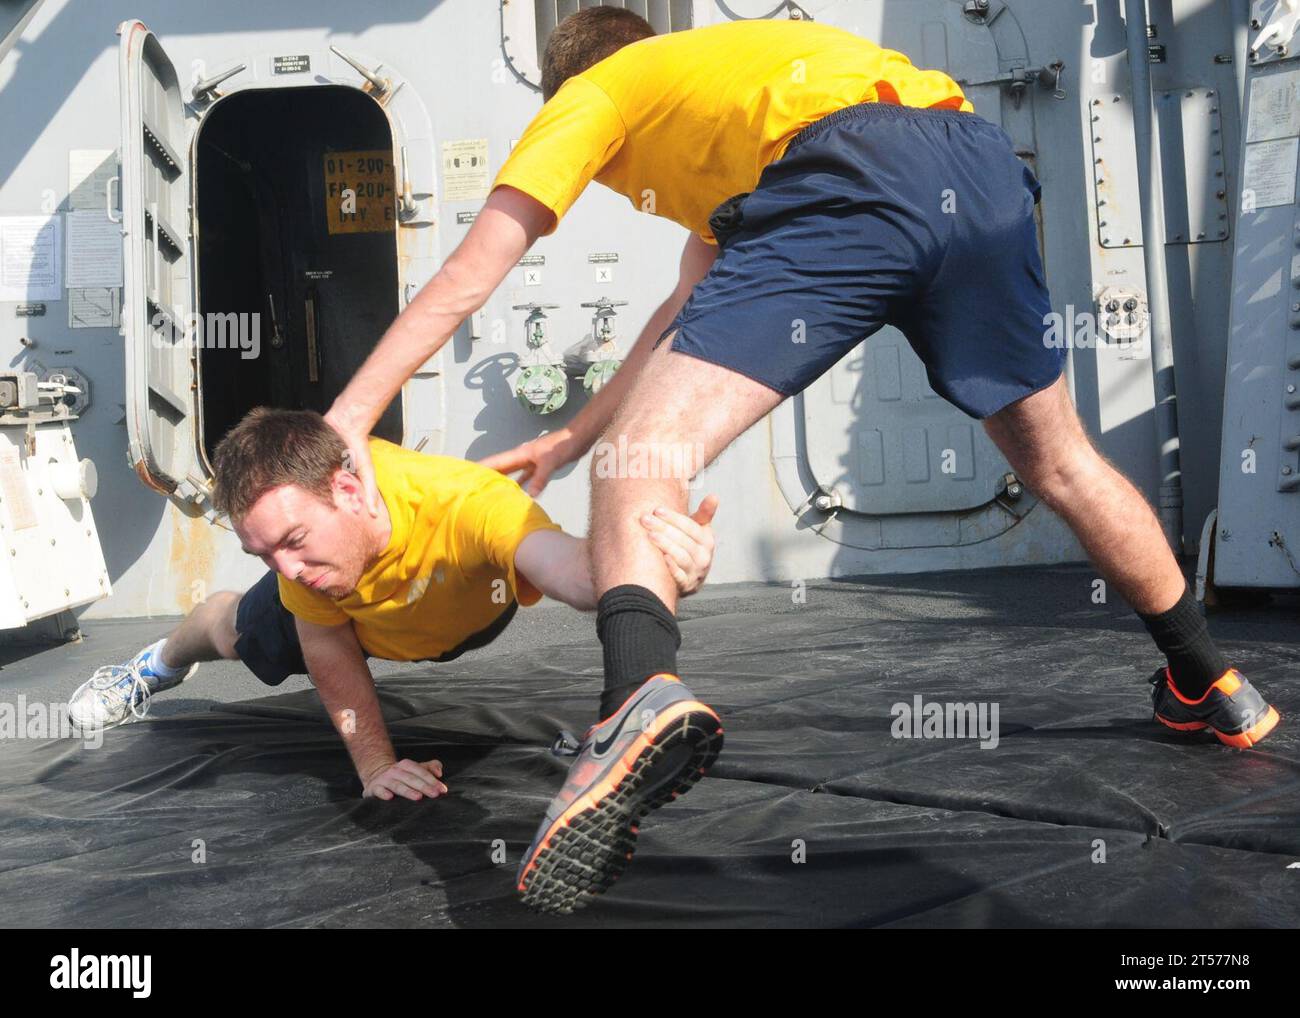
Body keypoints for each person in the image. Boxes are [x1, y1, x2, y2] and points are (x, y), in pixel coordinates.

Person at [319, 12, 1280, 912]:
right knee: (1063, 462)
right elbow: (678, 321)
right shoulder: (737, 87)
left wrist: (351, 420)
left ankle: (633, 701)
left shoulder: (596, 90)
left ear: (574, 73)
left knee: (642, 458)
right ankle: (1211, 683)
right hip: (976, 168)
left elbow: (472, 272)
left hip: (846, 177)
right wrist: (573, 438)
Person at [69, 407, 719, 802]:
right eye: (263, 554)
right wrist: (376, 764)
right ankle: (156, 663)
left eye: (292, 542)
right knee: (236, 629)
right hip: (359, 624)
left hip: (460, 614)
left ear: (350, 492)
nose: (286, 567)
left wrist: (659, 566)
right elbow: (327, 646)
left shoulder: (470, 504)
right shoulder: (298, 562)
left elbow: (579, 577)